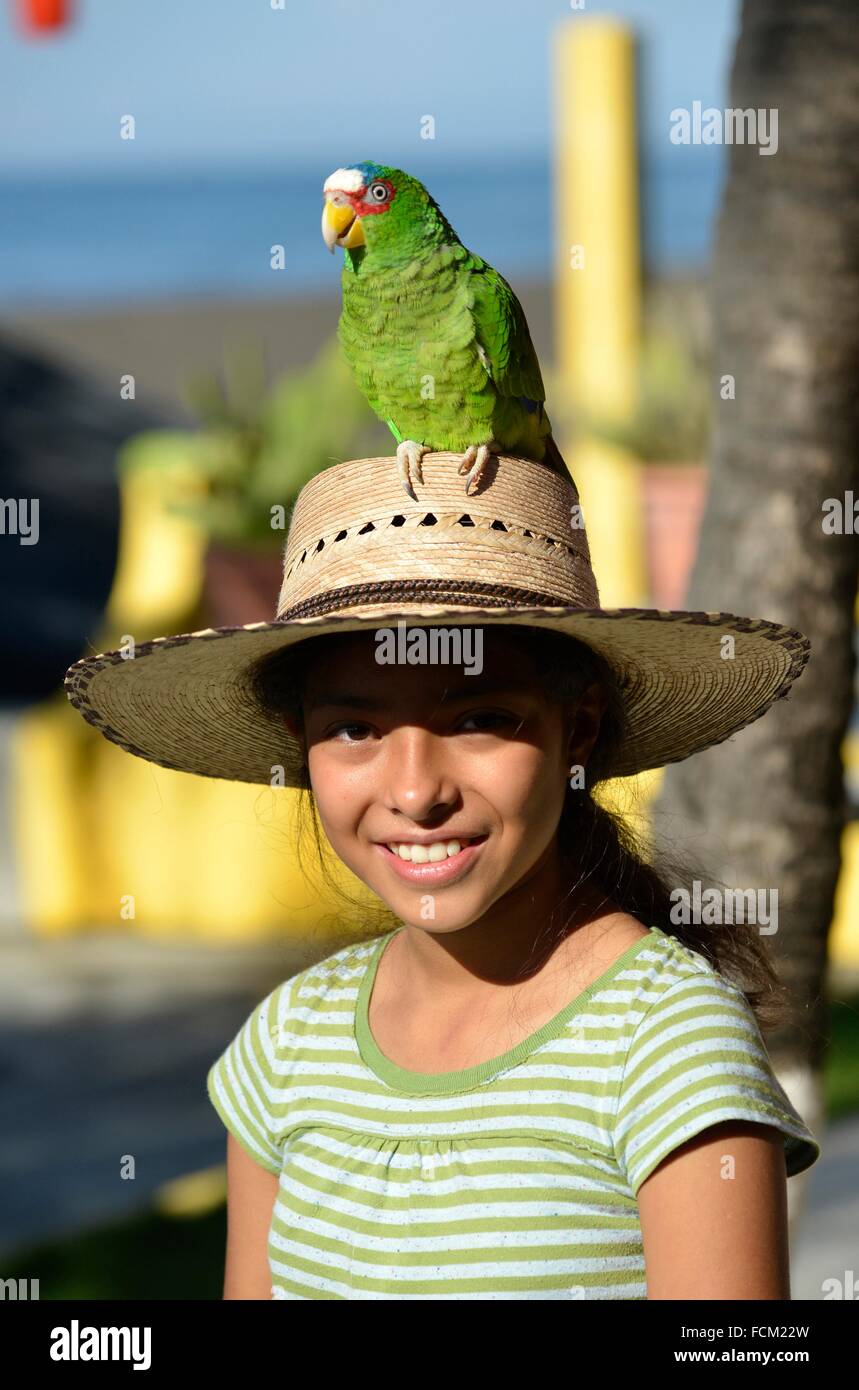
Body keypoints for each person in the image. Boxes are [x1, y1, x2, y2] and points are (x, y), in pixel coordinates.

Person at [63, 450, 821, 1300]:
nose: (417, 791)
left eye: (480, 719)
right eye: (354, 729)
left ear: (578, 732)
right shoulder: (286, 1044)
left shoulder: (666, 1044)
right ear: (297, 743)